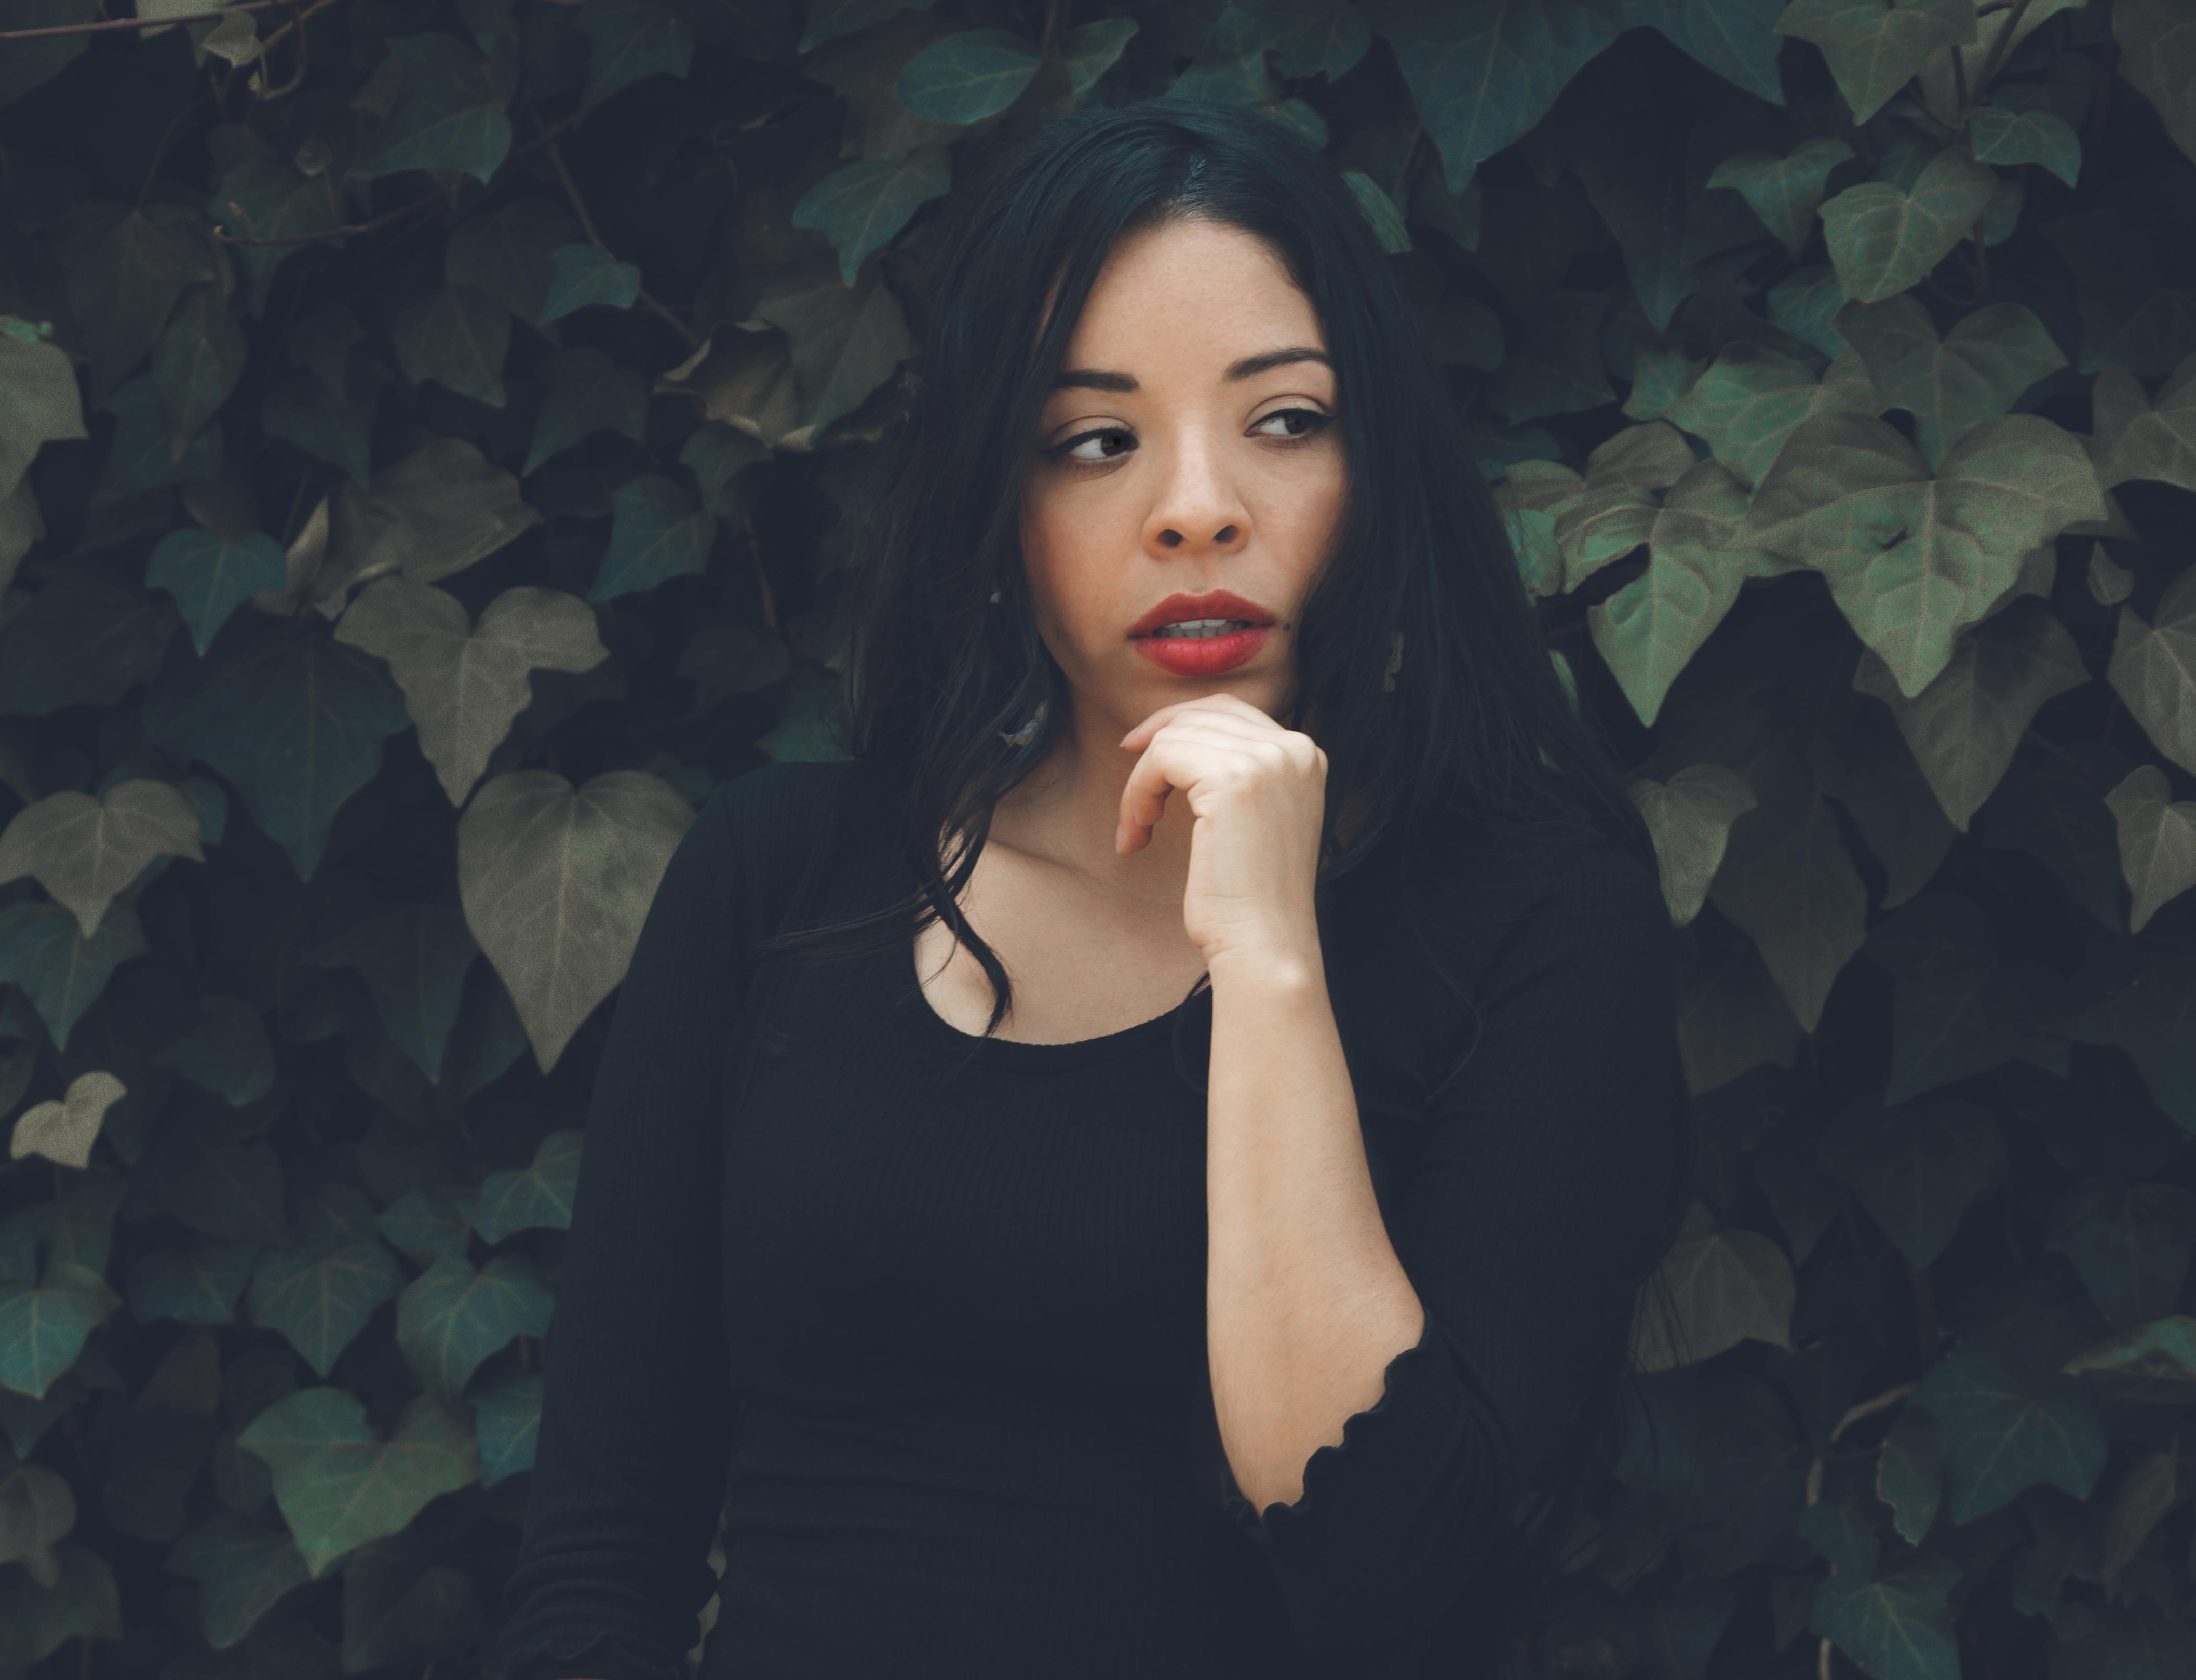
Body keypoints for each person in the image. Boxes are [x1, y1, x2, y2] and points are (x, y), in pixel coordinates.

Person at [490, 96, 1689, 1680]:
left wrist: (1268, 954)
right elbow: (598, 1561)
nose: (1195, 507)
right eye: (1097, 441)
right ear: (1004, 507)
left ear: (1377, 468)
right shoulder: (779, 875)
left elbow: (1380, 1572)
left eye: (1283, 420)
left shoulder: (1537, 929)